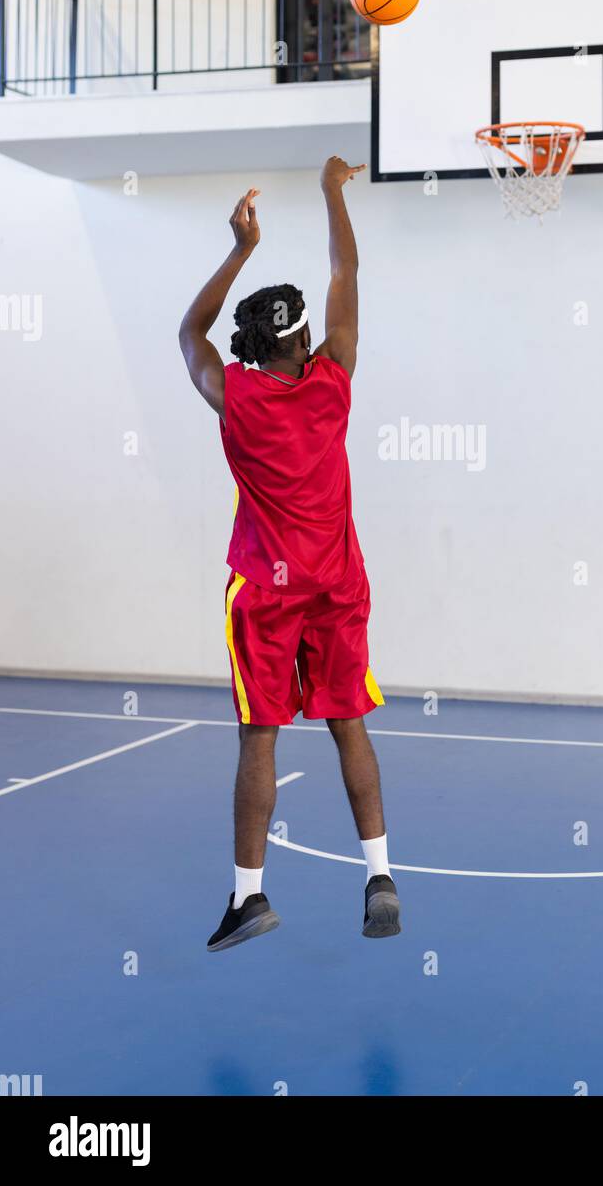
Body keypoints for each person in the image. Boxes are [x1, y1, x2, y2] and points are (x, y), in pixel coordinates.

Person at [178, 157, 399, 949]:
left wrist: (239, 248)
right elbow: (347, 267)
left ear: (250, 346)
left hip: (265, 595)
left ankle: (249, 899)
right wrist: (331, 191)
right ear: (303, 338)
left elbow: (187, 333)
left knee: (259, 737)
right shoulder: (333, 378)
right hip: (338, 585)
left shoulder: (232, 395)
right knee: (348, 724)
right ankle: (378, 875)